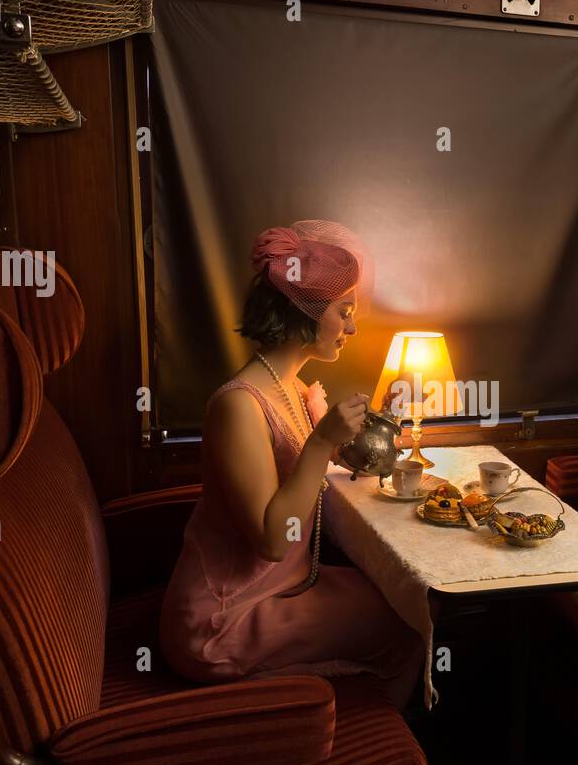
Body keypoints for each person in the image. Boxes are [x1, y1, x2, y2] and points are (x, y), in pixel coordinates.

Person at [159, 220, 423, 709]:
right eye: (344, 312)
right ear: (305, 312)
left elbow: (315, 473)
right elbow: (274, 539)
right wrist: (321, 444)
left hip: (281, 589)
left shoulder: (294, 393)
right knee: (403, 624)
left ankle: (354, 735)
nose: (351, 327)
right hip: (224, 617)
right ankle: (355, 750)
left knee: (404, 597)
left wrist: (356, 443)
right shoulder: (238, 405)